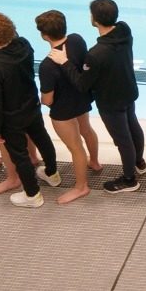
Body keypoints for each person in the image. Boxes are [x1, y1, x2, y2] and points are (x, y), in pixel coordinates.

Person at [0, 9, 59, 207]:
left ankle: (32, 195)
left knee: (20, 156)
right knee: (42, 138)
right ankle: (52, 174)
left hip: (11, 118)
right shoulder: (24, 45)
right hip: (31, 105)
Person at [80, 0, 146, 194]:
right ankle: (139, 162)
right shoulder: (124, 30)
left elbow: (83, 84)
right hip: (128, 91)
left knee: (122, 140)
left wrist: (66, 65)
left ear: (95, 19)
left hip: (110, 101)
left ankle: (129, 179)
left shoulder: (96, 53)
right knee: (133, 125)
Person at [36, 10, 97, 204]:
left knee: (76, 148)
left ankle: (81, 187)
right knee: (87, 130)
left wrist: (39, 98)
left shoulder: (47, 65)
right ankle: (94, 162)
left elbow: (48, 100)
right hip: (82, 99)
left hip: (63, 111)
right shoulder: (77, 40)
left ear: (44, 35)